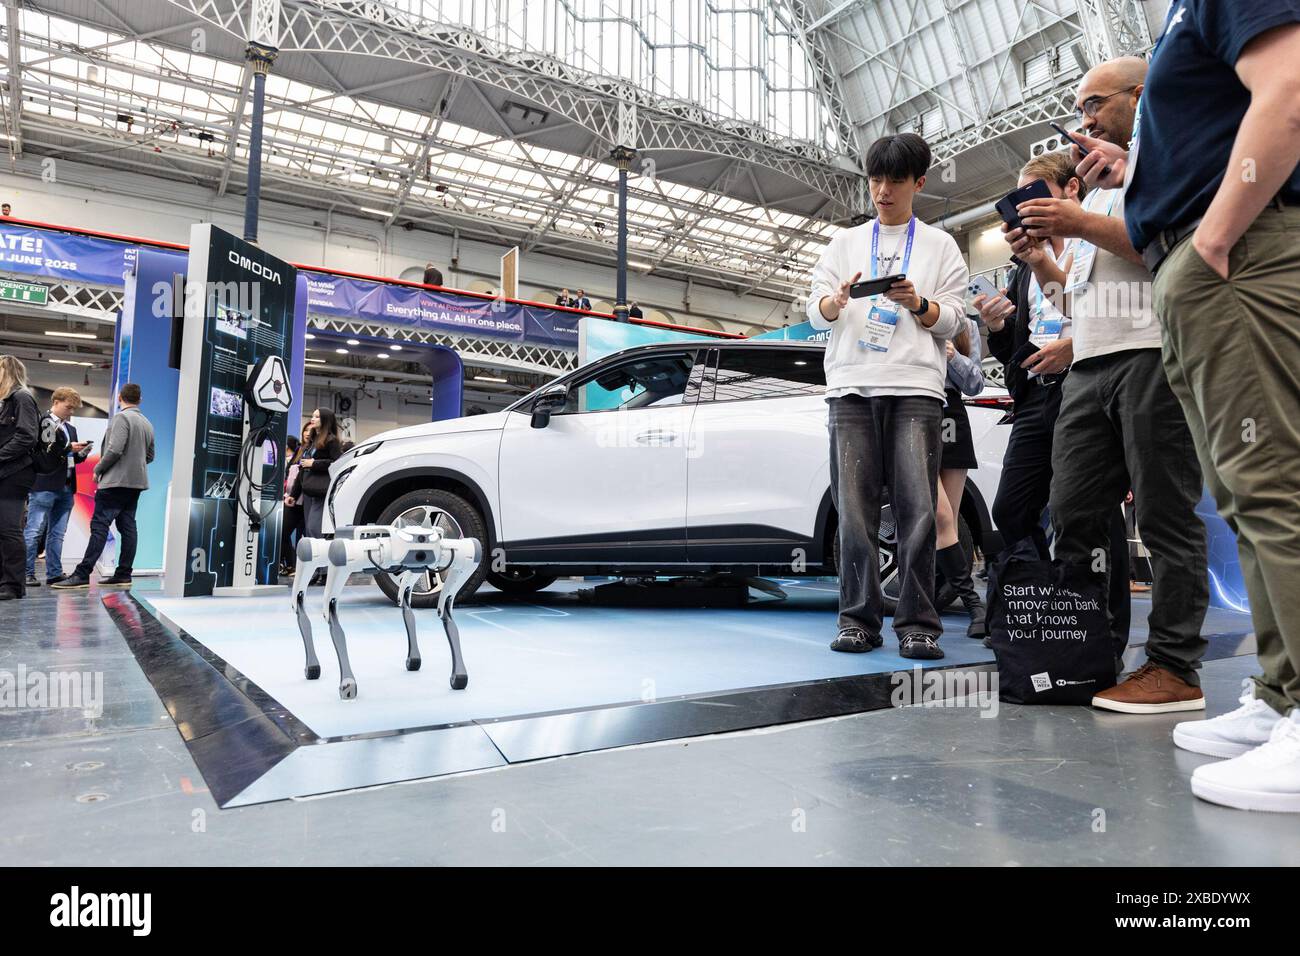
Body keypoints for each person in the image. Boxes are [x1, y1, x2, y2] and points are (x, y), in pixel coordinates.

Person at [1073, 2, 1300, 811]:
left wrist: (1212, 238)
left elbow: (1290, 88)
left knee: (1271, 481)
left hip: (1236, 252)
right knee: (1242, 490)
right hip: (1201, 263)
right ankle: (1284, 693)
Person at [1014, 56, 1209, 715]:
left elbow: (1169, 248)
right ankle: (1089, 654)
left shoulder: (1171, 157)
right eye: (1080, 108)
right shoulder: (1097, 187)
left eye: (1096, 103)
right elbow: (1083, 295)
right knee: (1073, 513)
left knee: (1163, 514)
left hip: (1153, 353)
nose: (1085, 119)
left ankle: (1175, 666)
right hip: (1092, 363)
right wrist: (1043, 257)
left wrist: (1077, 226)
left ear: (1140, 94)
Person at [807, 132, 967, 660]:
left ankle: (919, 622)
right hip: (851, 386)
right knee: (854, 511)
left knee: (918, 508)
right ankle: (857, 619)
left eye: (895, 180)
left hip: (917, 388)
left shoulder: (940, 246)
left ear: (918, 182)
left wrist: (917, 303)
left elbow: (953, 320)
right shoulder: (843, 243)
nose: (882, 190)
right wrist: (834, 302)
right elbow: (814, 312)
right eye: (875, 179)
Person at [974, 152, 1130, 650]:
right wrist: (998, 325)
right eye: (1019, 199)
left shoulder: (1095, 243)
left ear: (1071, 192)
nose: (1025, 208)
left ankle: (1106, 626)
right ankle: (1049, 602)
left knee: (1089, 512)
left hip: (1085, 387)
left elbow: (1121, 315)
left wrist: (1074, 346)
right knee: (1013, 511)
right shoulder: (1025, 267)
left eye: (1036, 193)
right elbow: (1011, 348)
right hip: (1034, 398)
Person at [52, 383, 155, 590]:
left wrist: (98, 468)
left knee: (99, 526)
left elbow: (115, 449)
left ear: (119, 398)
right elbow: (150, 456)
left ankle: (82, 574)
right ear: (140, 400)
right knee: (128, 527)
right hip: (136, 484)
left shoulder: (121, 418)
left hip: (114, 483)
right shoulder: (146, 423)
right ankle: (123, 574)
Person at [936, 316, 987, 639]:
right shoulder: (903, 309)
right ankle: (973, 604)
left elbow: (976, 384)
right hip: (913, 410)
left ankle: (928, 602)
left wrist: (953, 355)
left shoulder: (964, 324)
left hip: (952, 413)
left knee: (949, 522)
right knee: (938, 516)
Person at [25, 387, 92, 587]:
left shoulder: (70, 429)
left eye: (73, 409)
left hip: (67, 486)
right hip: (44, 485)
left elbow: (70, 459)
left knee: (57, 533)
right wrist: (68, 449)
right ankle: (27, 573)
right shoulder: (42, 422)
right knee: (34, 530)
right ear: (56, 402)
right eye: (68, 407)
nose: (71, 412)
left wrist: (82, 453)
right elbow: (45, 454)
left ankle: (53, 573)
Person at [0, 356, 38, 600]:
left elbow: (27, 437)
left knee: (9, 529)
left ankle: (13, 585)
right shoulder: (6, 401)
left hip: (15, 474)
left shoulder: (21, 397)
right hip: (5, 472)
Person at [293, 407, 341, 539]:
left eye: (317, 416)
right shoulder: (313, 441)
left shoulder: (331, 441)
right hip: (309, 490)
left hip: (322, 490)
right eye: (313, 416)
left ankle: (320, 557)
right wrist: (294, 494)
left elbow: (337, 463)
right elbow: (303, 468)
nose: (312, 419)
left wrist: (314, 463)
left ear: (325, 420)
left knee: (314, 528)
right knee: (310, 528)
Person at [279, 430, 307, 575]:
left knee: (288, 532)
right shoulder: (300, 453)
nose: (308, 433)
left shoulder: (308, 453)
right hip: (292, 498)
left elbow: (300, 479)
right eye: (306, 430)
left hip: (304, 500)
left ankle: (293, 565)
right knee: (283, 532)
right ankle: (290, 565)